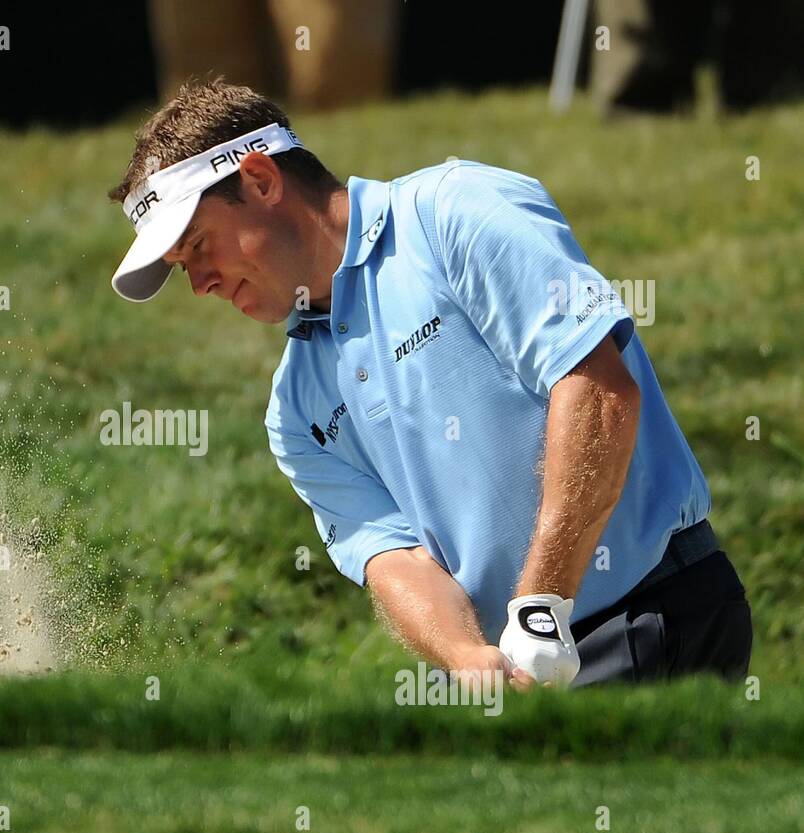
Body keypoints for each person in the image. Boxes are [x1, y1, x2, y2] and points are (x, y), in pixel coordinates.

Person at [106, 79, 752, 687]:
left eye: (197, 247)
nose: (201, 284)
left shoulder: (452, 216)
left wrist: (539, 603)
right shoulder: (294, 408)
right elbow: (396, 558)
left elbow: (597, 388)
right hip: (525, 668)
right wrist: (467, 657)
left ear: (260, 178)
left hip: (651, 616)